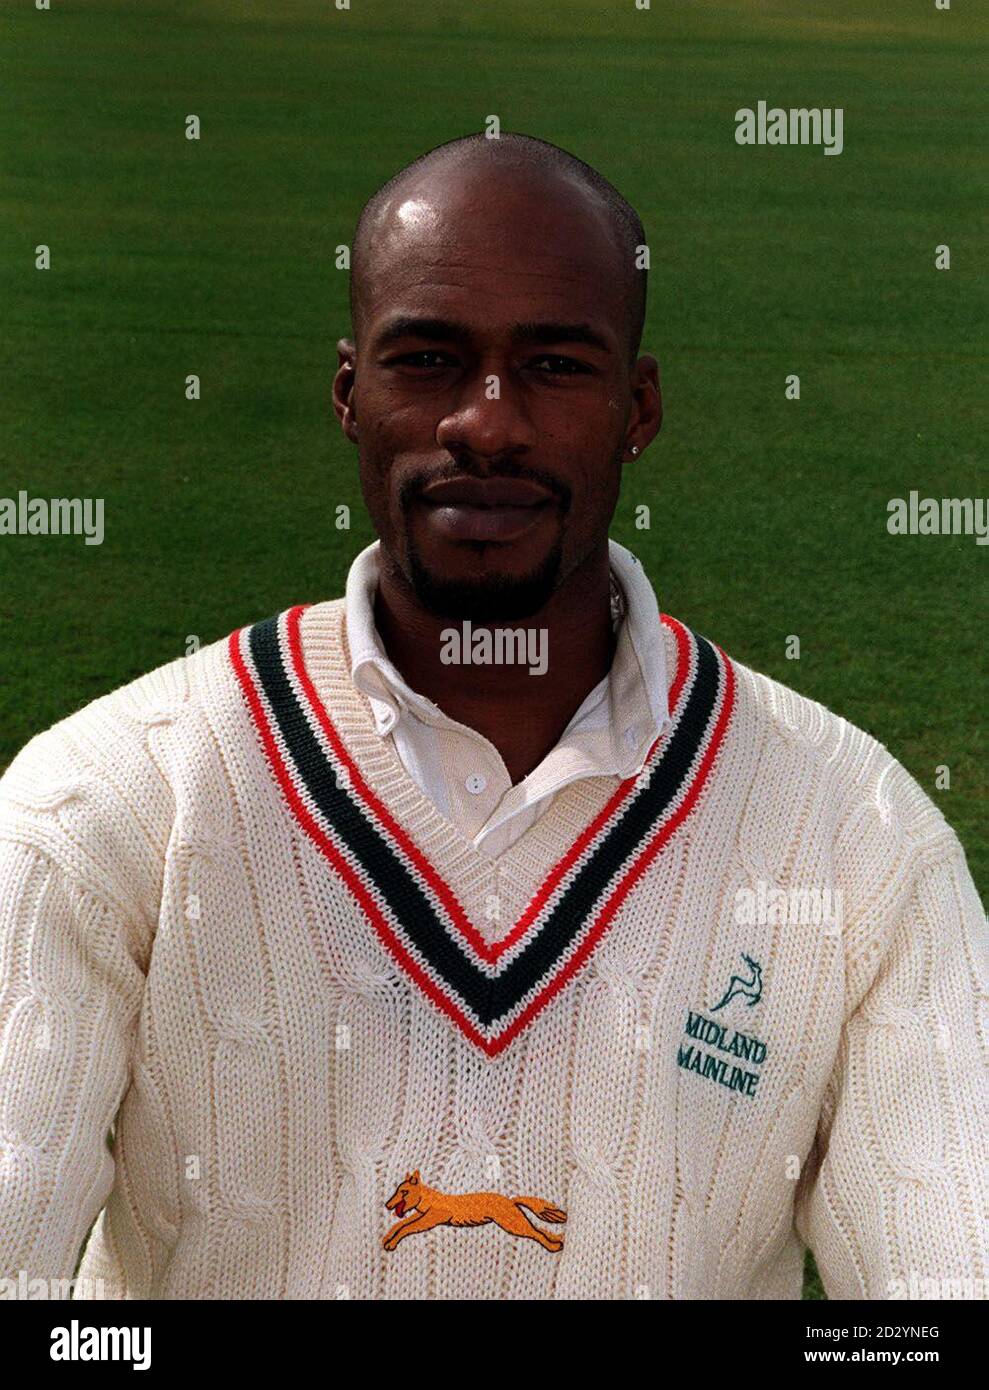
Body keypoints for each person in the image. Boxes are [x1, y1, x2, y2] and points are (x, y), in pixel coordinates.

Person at [0, 133, 984, 1301]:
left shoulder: (851, 829)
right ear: (347, 393)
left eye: (557, 367)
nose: (487, 422)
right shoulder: (108, 801)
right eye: (426, 359)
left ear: (640, 406)